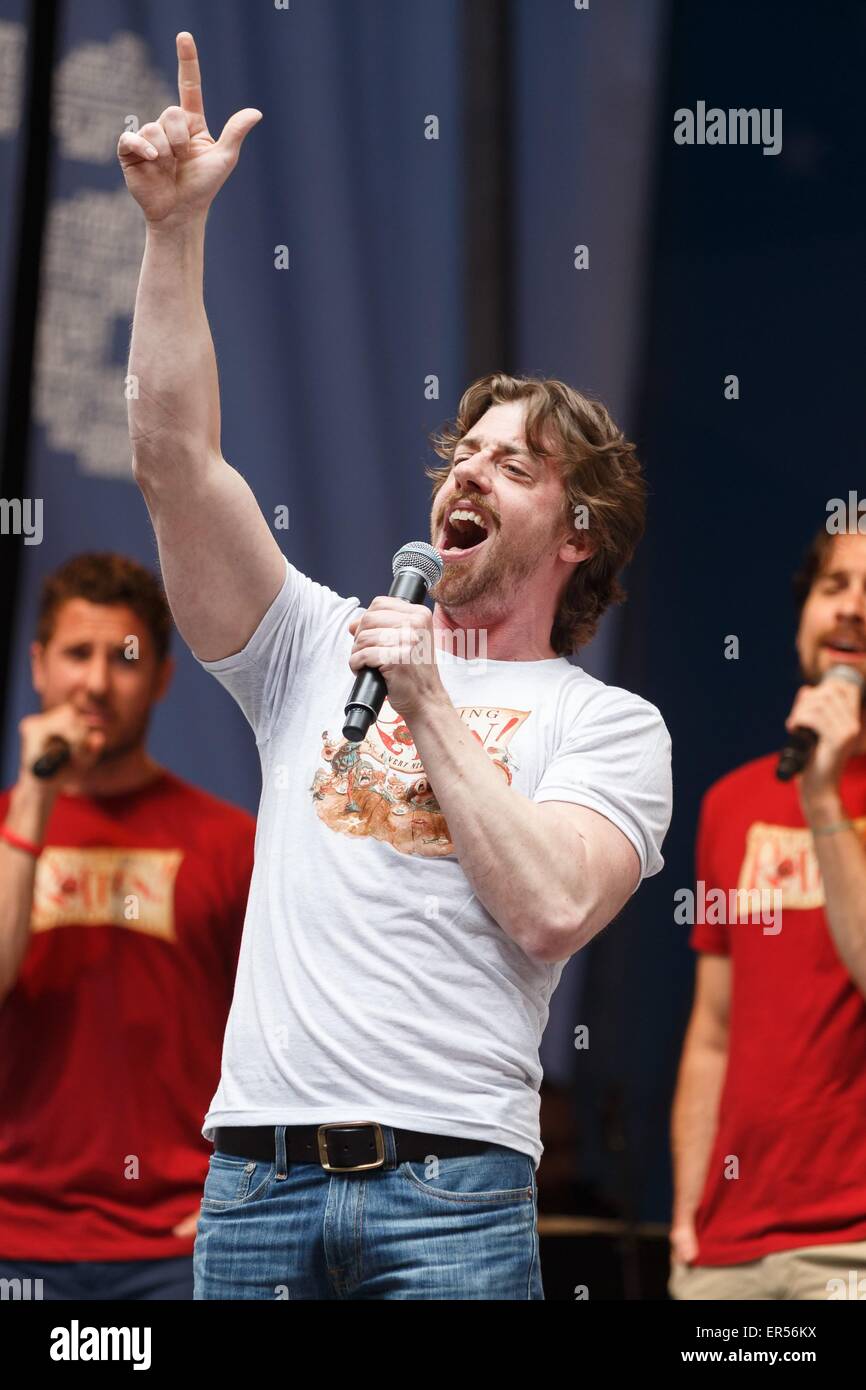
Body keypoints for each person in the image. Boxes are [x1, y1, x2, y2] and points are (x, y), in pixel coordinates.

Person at [118, 30, 672, 1301]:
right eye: (459, 453)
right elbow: (174, 461)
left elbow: (546, 908)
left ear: (577, 536)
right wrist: (171, 232)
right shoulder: (312, 640)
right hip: (252, 1180)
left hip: (451, 1196)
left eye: (512, 465)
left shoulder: (608, 727)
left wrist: (424, 699)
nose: (464, 472)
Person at [0, 553, 255, 1300]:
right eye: (78, 655)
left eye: (127, 658)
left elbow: (287, 1038)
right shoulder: (8, 831)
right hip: (15, 1237)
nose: (98, 683)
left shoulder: (231, 842)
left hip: (179, 1243)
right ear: (40, 665)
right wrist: (34, 804)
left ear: (164, 678)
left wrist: (239, 1191)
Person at [669, 525, 866, 1301]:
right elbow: (713, 1032)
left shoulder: (808, 794)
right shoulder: (733, 802)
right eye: (834, 587)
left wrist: (822, 798)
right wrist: (689, 1209)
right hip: (725, 1250)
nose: (852, 610)